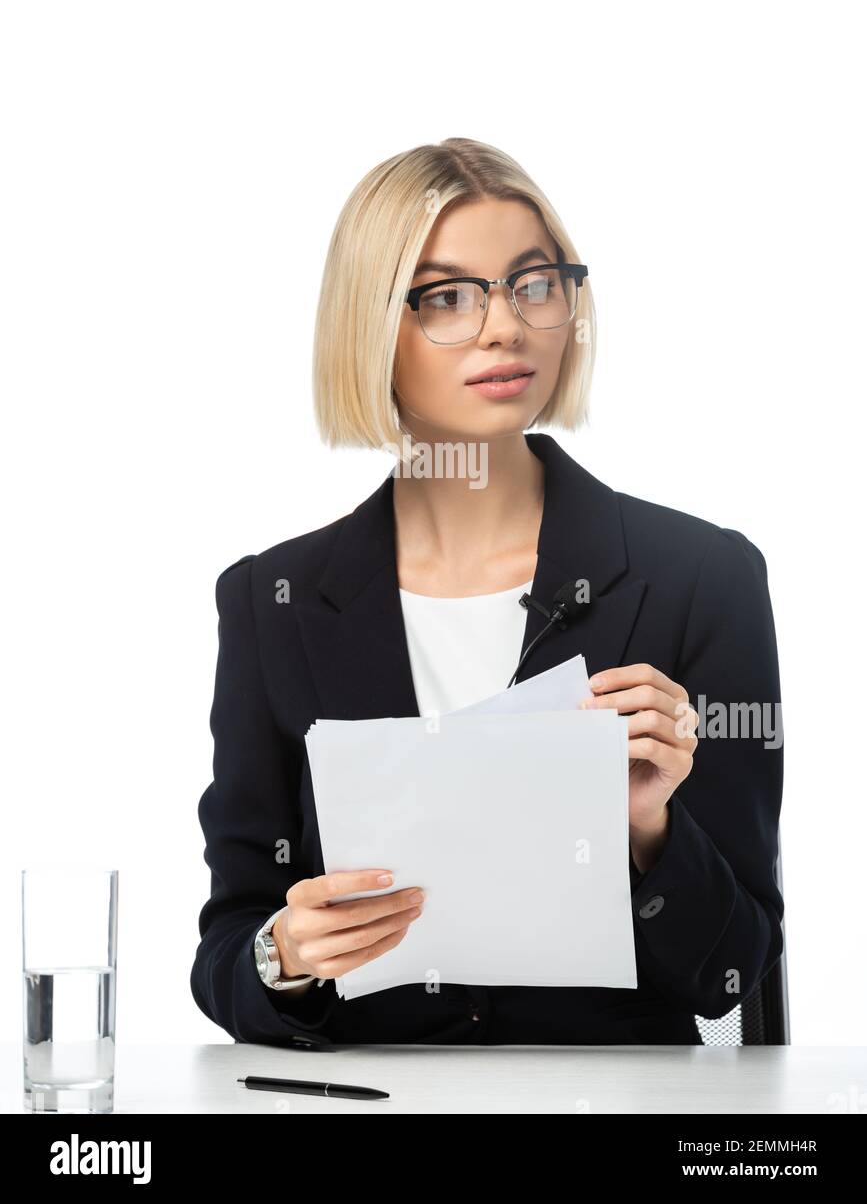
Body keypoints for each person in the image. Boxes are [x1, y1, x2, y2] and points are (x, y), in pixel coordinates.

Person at [190, 136, 784, 1047]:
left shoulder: (703, 577)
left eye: (533, 283)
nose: (504, 326)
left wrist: (649, 831)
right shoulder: (271, 599)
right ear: (369, 326)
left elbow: (735, 978)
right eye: (447, 297)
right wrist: (287, 953)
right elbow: (229, 949)